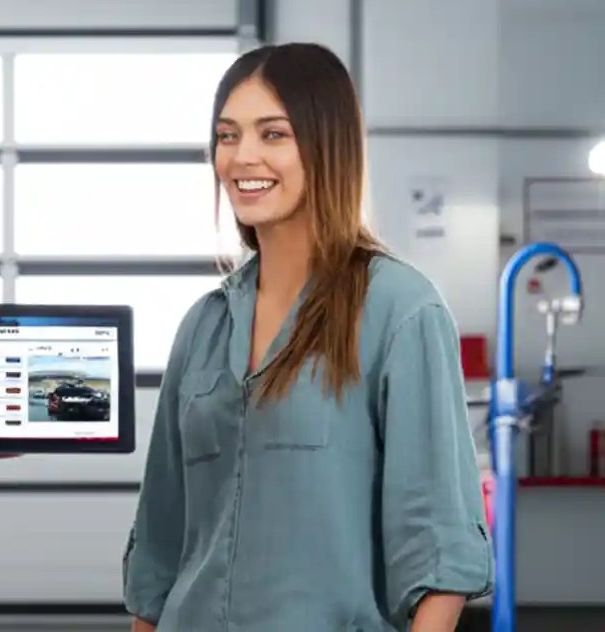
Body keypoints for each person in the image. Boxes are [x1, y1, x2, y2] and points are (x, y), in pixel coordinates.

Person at [121, 43, 493, 631]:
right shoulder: (203, 325)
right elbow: (160, 548)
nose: (242, 156)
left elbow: (438, 548)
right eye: (226, 135)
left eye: (273, 134)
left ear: (327, 143)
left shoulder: (400, 309)